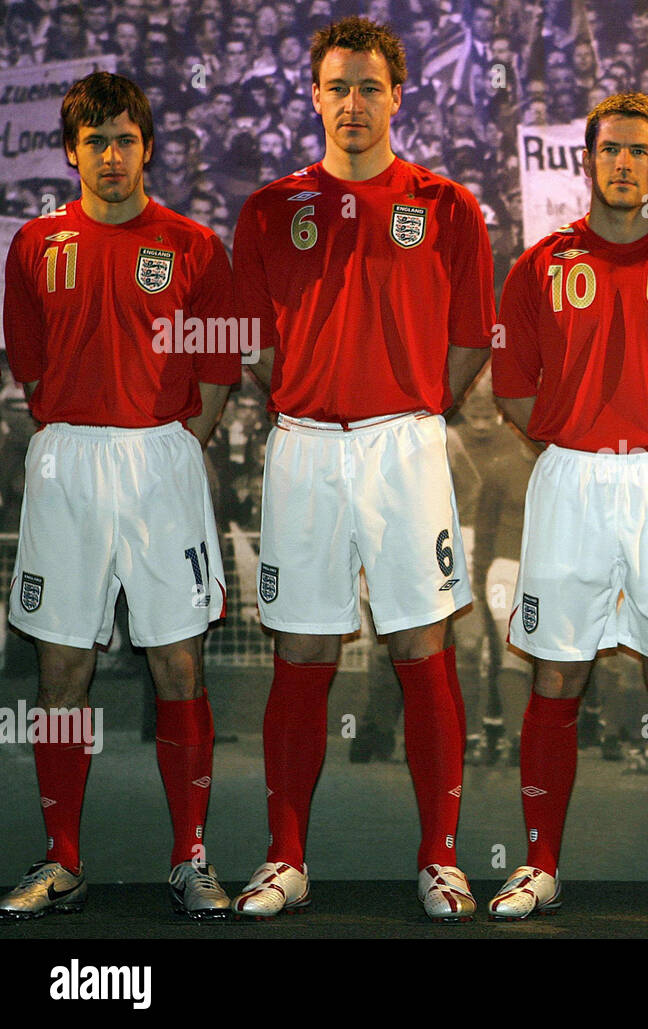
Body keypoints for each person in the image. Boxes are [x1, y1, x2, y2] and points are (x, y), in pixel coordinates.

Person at [231, 16, 495, 922]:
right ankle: (285, 858)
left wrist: (411, 403)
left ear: (397, 94)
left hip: (406, 445)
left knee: (424, 645)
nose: (353, 103)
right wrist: (318, 392)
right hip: (304, 443)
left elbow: (467, 348)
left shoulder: (448, 205)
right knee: (300, 650)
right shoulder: (269, 208)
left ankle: (441, 858)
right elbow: (256, 348)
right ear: (314, 96)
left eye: (369, 86)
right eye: (337, 86)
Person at [489, 91, 648, 922]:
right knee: (557, 672)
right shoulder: (540, 264)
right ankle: (539, 864)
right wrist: (583, 442)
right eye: (610, 150)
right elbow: (515, 389)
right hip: (570, 480)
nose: (624, 163)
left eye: (640, 151)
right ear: (587, 160)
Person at [0, 72, 238, 920]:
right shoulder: (33, 244)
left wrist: (167, 452)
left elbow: (216, 375)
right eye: (94, 141)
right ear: (71, 153)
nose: (110, 155)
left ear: (146, 147)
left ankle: (191, 856)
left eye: (125, 139)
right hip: (67, 460)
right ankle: (62, 858)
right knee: (62, 666)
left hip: (161, 461)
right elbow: (29, 367)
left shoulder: (193, 244)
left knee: (179, 661)